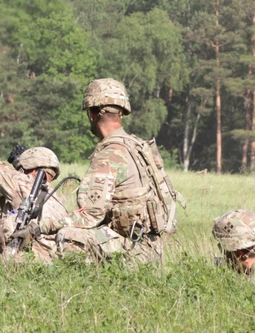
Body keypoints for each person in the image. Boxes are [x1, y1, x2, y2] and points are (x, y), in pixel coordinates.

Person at [38, 78, 183, 264]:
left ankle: (89, 289)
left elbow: (90, 215)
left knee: (68, 237)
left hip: (133, 252)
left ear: (92, 114)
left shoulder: (110, 154)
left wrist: (42, 227)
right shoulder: (137, 146)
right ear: (121, 113)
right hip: (152, 248)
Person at [0, 146, 69, 259]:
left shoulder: (22, 181)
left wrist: (16, 166)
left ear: (32, 169)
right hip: (49, 257)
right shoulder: (57, 199)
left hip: (23, 255)